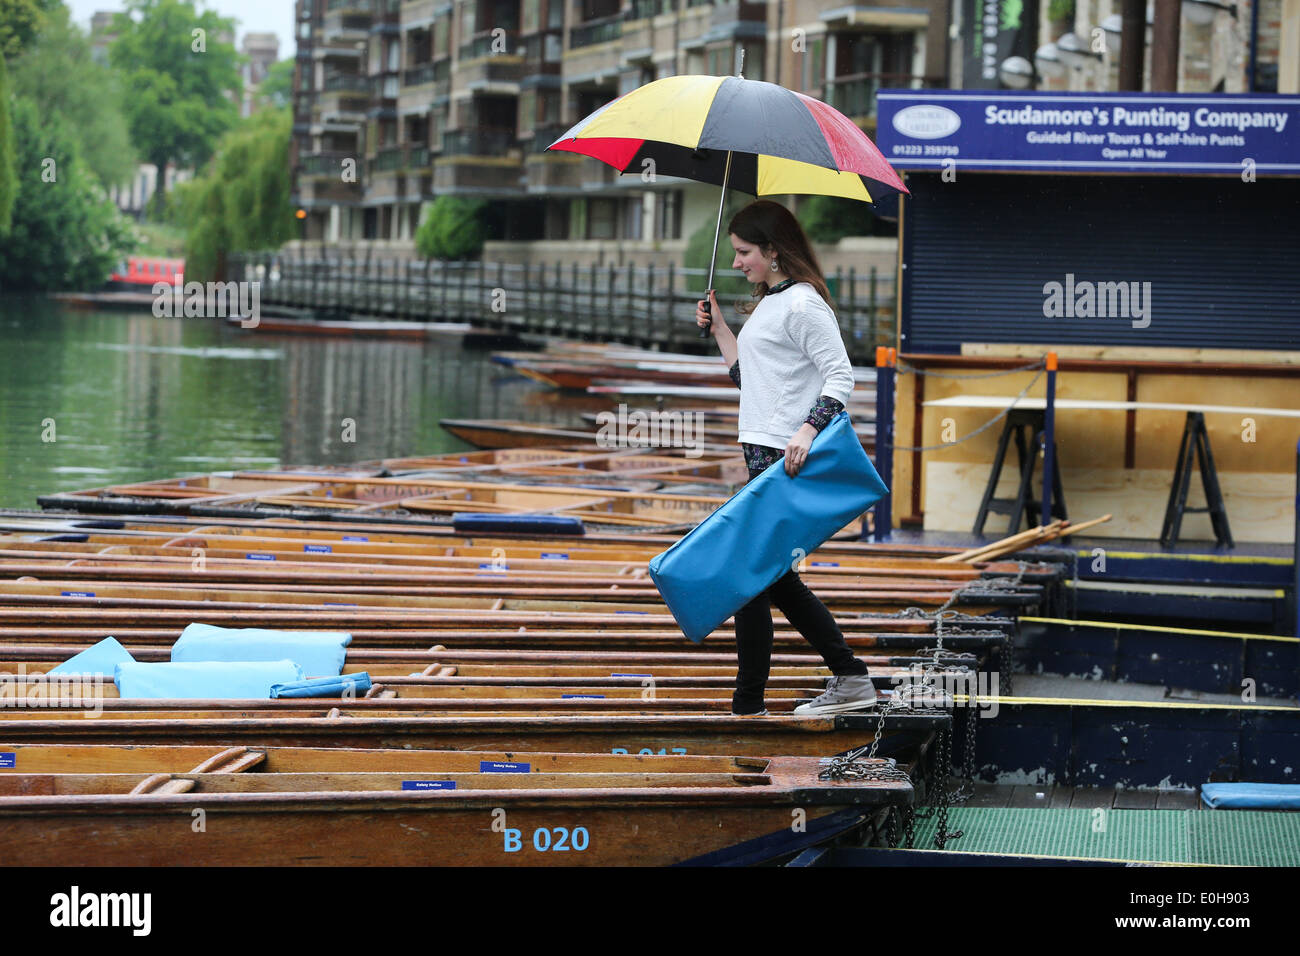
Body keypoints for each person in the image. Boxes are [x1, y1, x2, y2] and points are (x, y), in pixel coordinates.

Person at [695, 199, 878, 717]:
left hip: (784, 456)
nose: (736, 263)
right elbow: (752, 381)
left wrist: (806, 431)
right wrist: (722, 334)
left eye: (744, 252)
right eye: (733, 253)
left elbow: (841, 376)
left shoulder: (803, 304)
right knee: (768, 577)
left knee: (752, 575)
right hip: (759, 452)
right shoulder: (771, 302)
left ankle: (752, 703)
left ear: (774, 251)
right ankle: (841, 680)